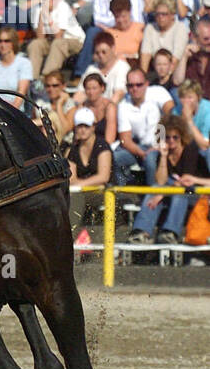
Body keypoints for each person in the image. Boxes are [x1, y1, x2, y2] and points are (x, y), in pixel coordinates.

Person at [129, 114, 210, 243]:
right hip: (172, 190)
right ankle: (141, 231)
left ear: (181, 136)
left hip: (195, 192)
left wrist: (162, 195)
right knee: (155, 189)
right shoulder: (161, 154)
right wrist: (163, 156)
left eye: (175, 137)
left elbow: (184, 181)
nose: (171, 140)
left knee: (178, 194)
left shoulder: (190, 149)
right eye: (167, 137)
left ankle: (170, 232)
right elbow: (160, 181)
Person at [115, 69, 175, 185]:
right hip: (141, 147)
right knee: (114, 158)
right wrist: (142, 153)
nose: (135, 88)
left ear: (147, 84)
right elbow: (125, 140)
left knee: (150, 160)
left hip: (163, 143)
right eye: (131, 85)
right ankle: (125, 195)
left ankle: (152, 197)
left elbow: (173, 117)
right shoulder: (123, 105)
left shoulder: (158, 92)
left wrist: (162, 144)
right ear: (127, 87)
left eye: (139, 84)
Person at [66, 106, 111, 236]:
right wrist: (86, 184)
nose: (83, 129)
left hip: (104, 192)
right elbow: (71, 178)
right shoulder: (73, 149)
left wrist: (80, 184)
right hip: (85, 192)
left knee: (76, 197)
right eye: (80, 126)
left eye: (86, 126)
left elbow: (104, 177)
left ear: (93, 127)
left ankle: (71, 236)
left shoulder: (102, 145)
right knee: (74, 197)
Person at [0, 26, 32, 110]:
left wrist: (10, 110)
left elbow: (21, 93)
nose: (3, 45)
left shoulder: (24, 63)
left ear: (13, 42)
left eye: (7, 41)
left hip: (17, 112)